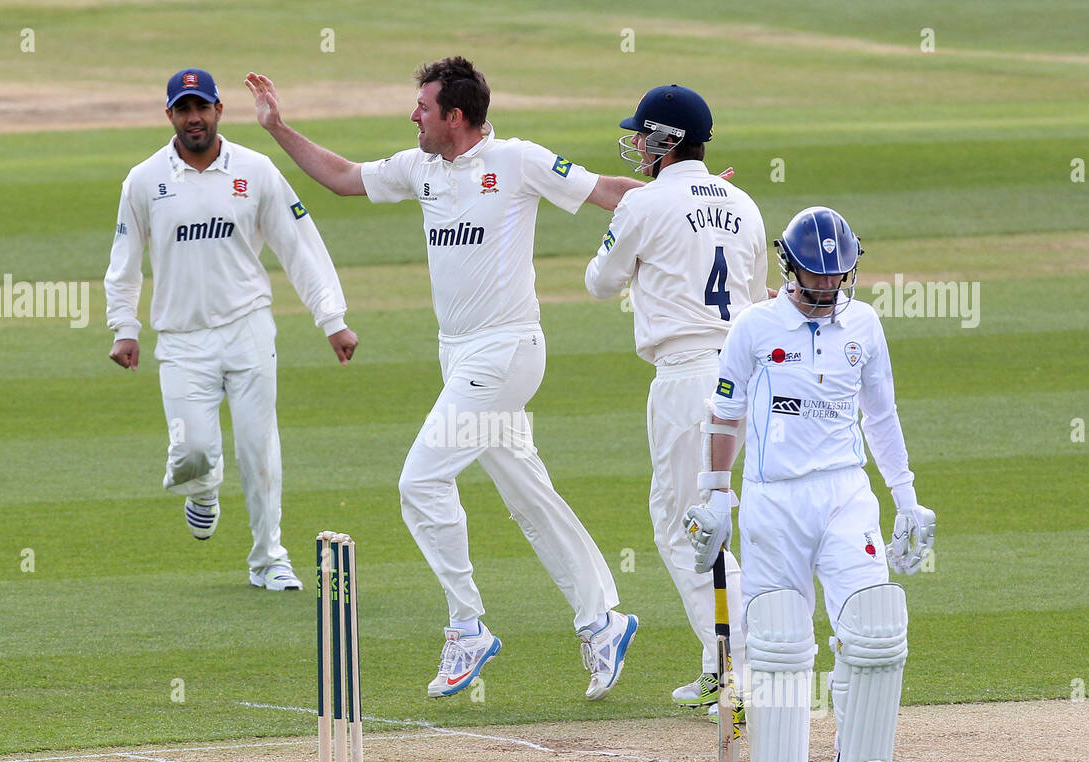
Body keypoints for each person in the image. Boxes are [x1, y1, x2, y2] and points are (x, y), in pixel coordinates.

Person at [247, 57, 641, 699]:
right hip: (459, 356)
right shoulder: (422, 168)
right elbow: (345, 179)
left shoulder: (518, 160)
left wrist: (690, 194)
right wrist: (277, 128)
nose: (413, 117)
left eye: (423, 108)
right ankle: (603, 620)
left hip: (507, 352)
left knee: (420, 480)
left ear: (454, 116)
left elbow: (607, 192)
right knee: (528, 495)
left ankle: (467, 625)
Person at [684, 206, 935, 762]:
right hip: (773, 500)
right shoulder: (753, 326)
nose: (826, 290)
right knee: (778, 640)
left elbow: (881, 415)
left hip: (847, 493)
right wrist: (717, 494)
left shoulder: (865, 325)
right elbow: (726, 413)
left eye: (837, 278)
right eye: (815, 278)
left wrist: (905, 498)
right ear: (788, 267)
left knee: (876, 629)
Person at [105, 68, 357, 590]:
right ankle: (202, 489)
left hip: (248, 330)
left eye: (202, 108)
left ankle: (269, 559)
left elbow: (299, 245)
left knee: (258, 448)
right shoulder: (145, 180)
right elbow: (124, 262)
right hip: (179, 338)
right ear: (170, 115)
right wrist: (123, 327)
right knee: (192, 451)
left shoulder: (257, 170)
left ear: (220, 110)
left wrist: (331, 318)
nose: (193, 118)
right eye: (183, 109)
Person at [584, 84, 768, 721]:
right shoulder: (742, 202)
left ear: (664, 141)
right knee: (706, 518)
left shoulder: (645, 204)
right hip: (745, 378)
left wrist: (644, 228)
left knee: (685, 524)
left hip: (687, 376)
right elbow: (757, 296)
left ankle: (742, 670)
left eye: (641, 134)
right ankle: (723, 665)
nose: (635, 143)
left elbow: (599, 282)